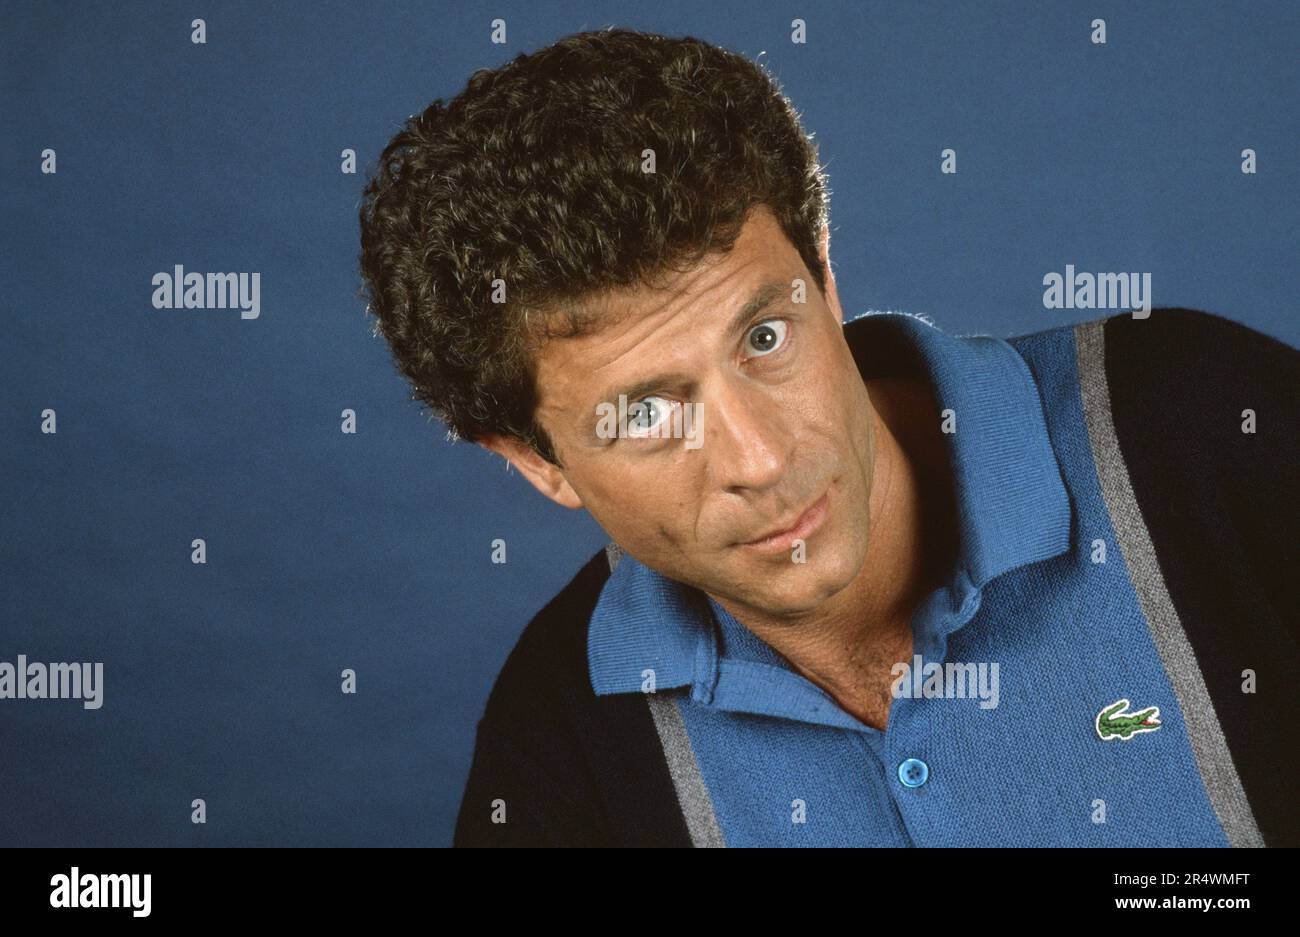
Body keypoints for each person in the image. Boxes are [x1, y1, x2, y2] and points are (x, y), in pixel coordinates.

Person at [356, 27, 1298, 847]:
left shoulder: (1205, 429)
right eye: (646, 414)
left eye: (765, 338)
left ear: (828, 280)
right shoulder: (565, 735)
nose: (764, 462)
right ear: (536, 462)